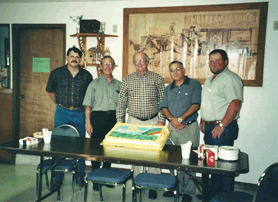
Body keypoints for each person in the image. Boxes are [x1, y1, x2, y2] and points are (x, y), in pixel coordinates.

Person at [116, 52, 165, 200]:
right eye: (136, 62)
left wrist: (162, 120)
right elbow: (121, 102)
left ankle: (153, 185)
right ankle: (137, 184)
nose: (139, 64)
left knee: (154, 155)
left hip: (153, 121)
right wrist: (120, 121)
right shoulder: (127, 79)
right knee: (136, 154)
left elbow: (163, 101)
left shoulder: (157, 78)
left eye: (142, 61)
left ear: (147, 61)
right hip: (134, 122)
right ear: (133, 63)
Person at [46, 46, 93, 188]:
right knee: (58, 144)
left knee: (79, 146)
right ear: (67, 57)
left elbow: (89, 98)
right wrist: (60, 104)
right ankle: (57, 178)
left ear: (81, 59)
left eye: (77, 57)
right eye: (72, 56)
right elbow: (50, 91)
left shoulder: (86, 76)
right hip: (62, 112)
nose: (74, 59)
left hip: (79, 113)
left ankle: (80, 176)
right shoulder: (56, 73)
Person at [200, 49, 243, 198]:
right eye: (211, 61)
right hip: (211, 127)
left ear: (226, 62)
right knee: (211, 164)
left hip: (223, 128)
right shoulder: (210, 78)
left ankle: (224, 198)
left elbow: (235, 103)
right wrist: (204, 119)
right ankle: (213, 195)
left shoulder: (230, 78)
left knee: (223, 167)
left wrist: (222, 125)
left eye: (218, 60)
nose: (214, 64)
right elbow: (208, 101)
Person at [160, 61, 201, 202]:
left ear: (183, 70)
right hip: (172, 127)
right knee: (171, 159)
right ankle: (175, 187)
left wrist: (181, 119)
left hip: (189, 127)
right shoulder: (168, 88)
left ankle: (189, 192)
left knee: (188, 160)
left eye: (178, 69)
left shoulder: (194, 85)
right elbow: (163, 107)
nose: (175, 72)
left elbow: (196, 105)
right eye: (172, 70)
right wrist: (173, 120)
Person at [82, 55, 121, 191]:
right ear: (101, 67)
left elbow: (122, 106)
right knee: (96, 150)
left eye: (110, 64)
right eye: (105, 64)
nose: (108, 67)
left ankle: (106, 177)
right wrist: (88, 122)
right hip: (97, 118)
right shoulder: (94, 84)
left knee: (110, 150)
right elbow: (88, 106)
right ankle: (96, 179)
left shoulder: (119, 85)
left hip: (113, 119)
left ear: (114, 66)